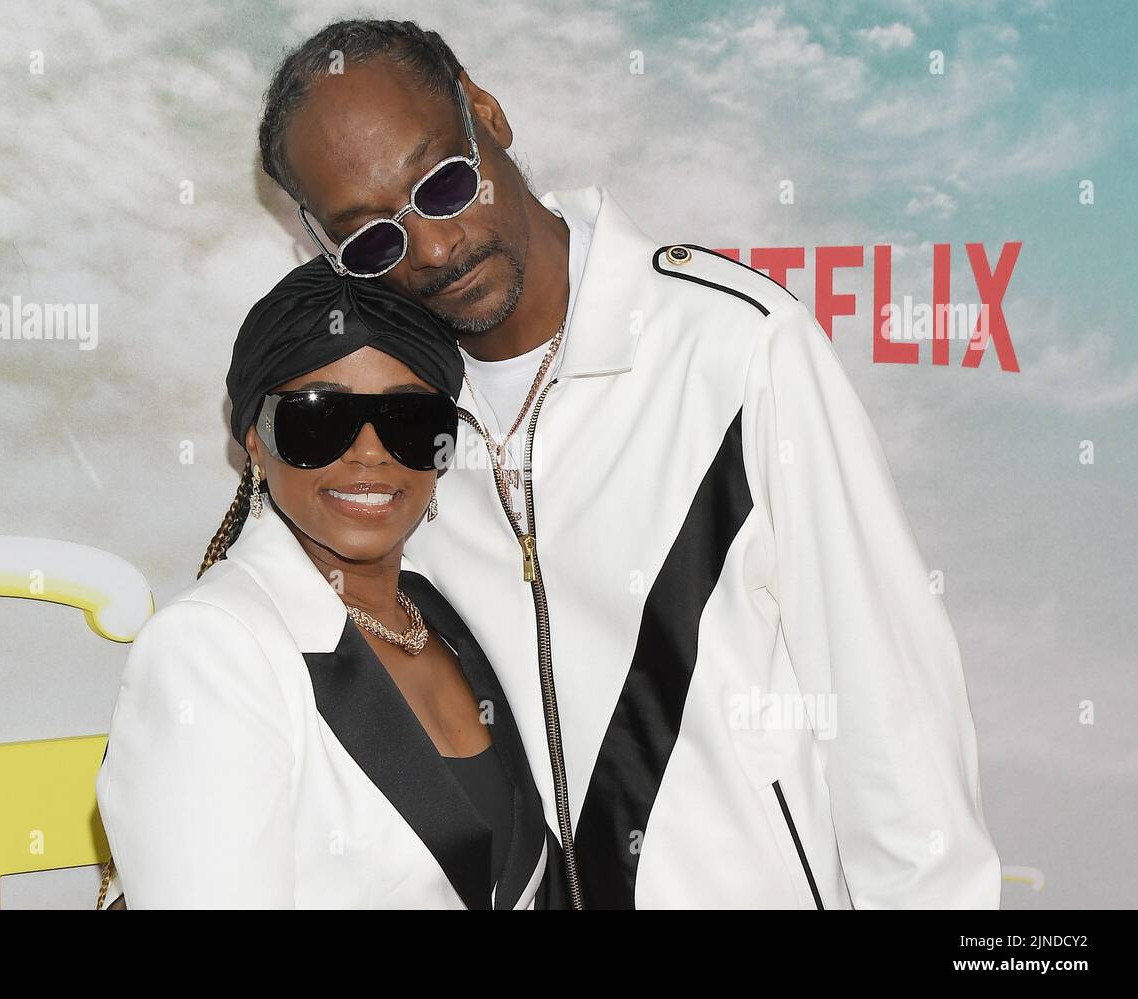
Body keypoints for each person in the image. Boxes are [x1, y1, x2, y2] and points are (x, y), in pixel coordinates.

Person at [252, 18, 1004, 909]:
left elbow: (893, 718)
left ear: (484, 110)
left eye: (445, 184)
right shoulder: (369, 443)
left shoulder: (732, 350)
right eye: (374, 239)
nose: (436, 248)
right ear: (322, 248)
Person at [95, 254, 559, 909]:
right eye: (319, 419)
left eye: (409, 422)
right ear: (256, 441)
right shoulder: (210, 649)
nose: (369, 452)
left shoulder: (449, 619)